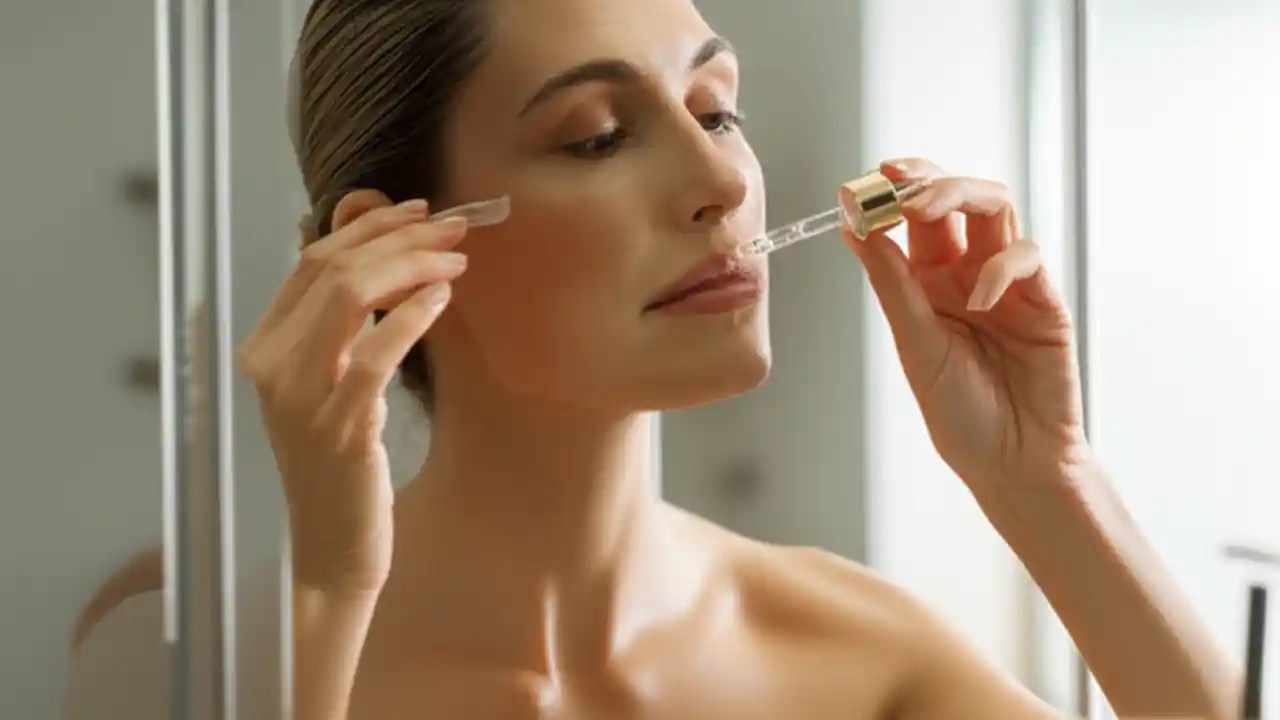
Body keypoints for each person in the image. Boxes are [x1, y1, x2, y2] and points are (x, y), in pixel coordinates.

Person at [69, 0, 1241, 718]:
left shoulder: (857, 653)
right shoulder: (176, 667)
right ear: (395, 243)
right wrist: (326, 599)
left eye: (716, 109)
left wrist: (1047, 485)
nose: (724, 182)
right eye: (595, 137)